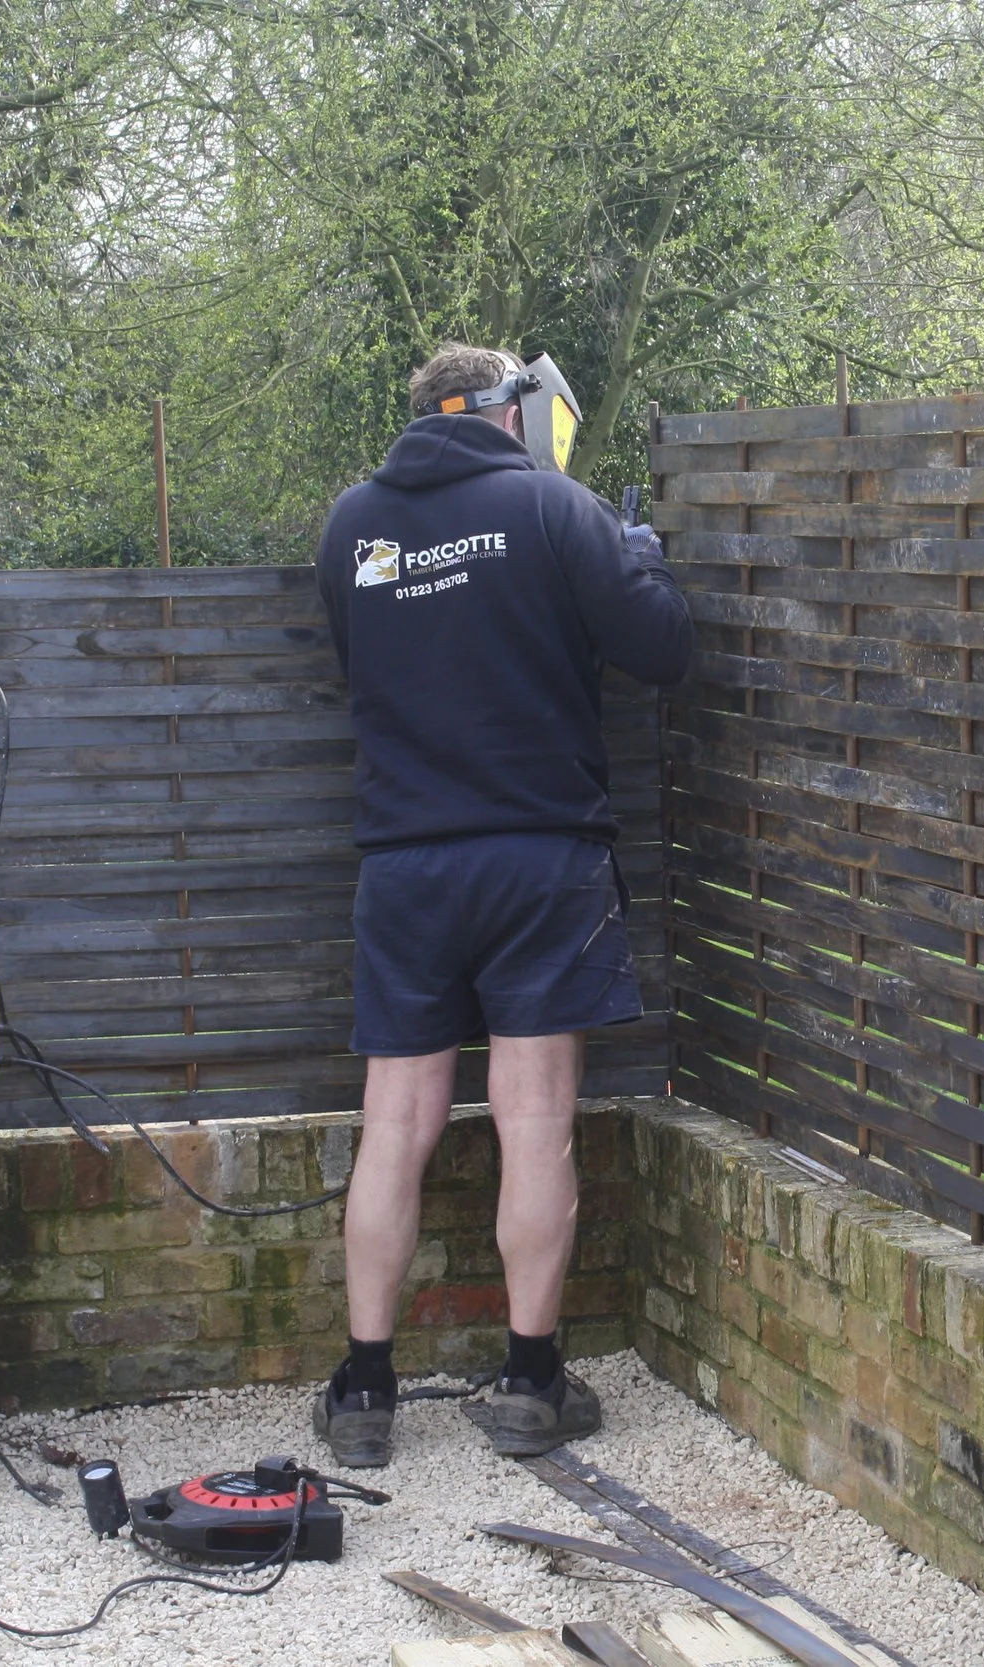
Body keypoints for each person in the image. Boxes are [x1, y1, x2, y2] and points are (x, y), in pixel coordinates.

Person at [310, 342, 692, 1466]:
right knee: (534, 1124)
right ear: (510, 413)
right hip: (539, 859)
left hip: (407, 867)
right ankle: (530, 1382)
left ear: (425, 413)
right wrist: (641, 560)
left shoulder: (352, 528)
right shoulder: (556, 509)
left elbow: (360, 664)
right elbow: (661, 649)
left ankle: (367, 1390)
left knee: (396, 1126)